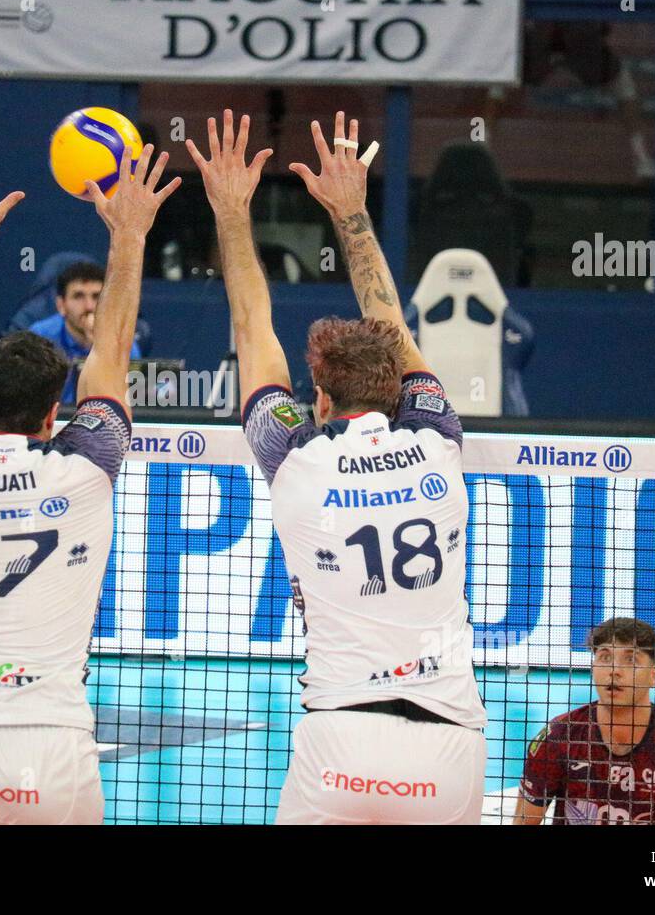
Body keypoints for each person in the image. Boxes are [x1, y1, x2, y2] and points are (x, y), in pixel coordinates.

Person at [188, 110, 487, 824]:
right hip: (448, 743)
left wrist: (231, 210)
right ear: (398, 387)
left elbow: (251, 323)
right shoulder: (438, 439)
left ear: (317, 397)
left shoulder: (294, 456)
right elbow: (391, 321)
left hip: (340, 735)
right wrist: (352, 210)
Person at [0, 144, 178, 824]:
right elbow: (110, 353)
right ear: (56, 413)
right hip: (48, 745)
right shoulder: (85, 470)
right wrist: (129, 234)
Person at [514, 618, 655, 825]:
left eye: (631, 660)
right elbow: (523, 822)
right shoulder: (557, 737)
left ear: (654, 675)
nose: (614, 670)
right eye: (605, 657)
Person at [28, 260, 141, 404]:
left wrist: (99, 348)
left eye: (96, 296)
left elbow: (125, 402)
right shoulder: (40, 337)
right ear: (61, 305)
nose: (89, 306)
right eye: (78, 296)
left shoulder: (123, 344)